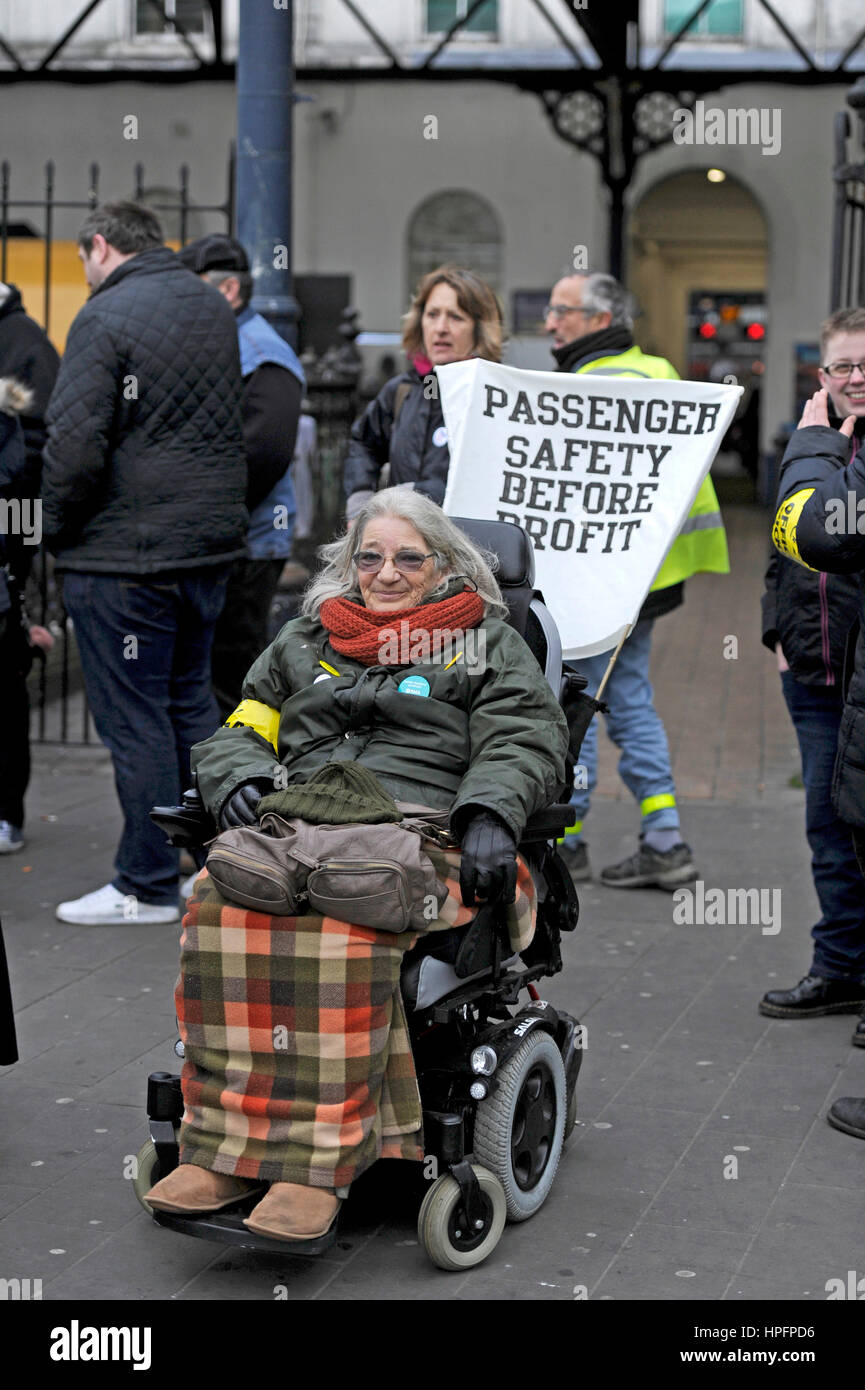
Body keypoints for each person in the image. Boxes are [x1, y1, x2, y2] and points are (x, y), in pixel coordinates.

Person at [144, 489, 569, 1240]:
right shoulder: (306, 640)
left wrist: (489, 815)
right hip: (297, 825)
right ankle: (222, 1150)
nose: (388, 573)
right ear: (348, 564)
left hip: (420, 834)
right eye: (369, 557)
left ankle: (318, 1166)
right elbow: (243, 725)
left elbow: (522, 740)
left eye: (409, 558)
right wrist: (235, 775)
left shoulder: (486, 643)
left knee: (344, 927)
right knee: (215, 902)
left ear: (444, 566)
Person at [41, 202, 247, 926]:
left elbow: (72, 446)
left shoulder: (104, 316)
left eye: (83, 259)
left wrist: (51, 527)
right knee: (190, 704)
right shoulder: (210, 307)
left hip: (125, 557)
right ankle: (214, 867)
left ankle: (147, 881)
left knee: (134, 721)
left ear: (99, 247)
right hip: (205, 548)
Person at [545, 270, 729, 889]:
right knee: (626, 699)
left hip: (602, 579)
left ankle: (567, 841)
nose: (550, 323)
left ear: (599, 319)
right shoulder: (656, 370)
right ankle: (664, 837)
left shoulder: (593, 382)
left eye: (562, 311)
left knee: (580, 702)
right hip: (652, 577)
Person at [773, 312, 865, 1142]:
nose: (853, 378)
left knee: (856, 823)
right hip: (814, 671)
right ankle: (839, 967)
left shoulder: (831, 453)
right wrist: (777, 632)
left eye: (864, 365)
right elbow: (783, 546)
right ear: (821, 374)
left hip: (858, 678)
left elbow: (826, 533)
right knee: (826, 825)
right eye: (841, 365)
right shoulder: (803, 440)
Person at [177, 234, 305, 720]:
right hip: (231, 540)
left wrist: (204, 514)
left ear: (228, 291)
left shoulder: (259, 351)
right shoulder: (230, 342)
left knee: (232, 680)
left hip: (246, 547)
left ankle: (238, 785)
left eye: (193, 291)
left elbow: (264, 454)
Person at [342, 266, 503, 522]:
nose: (441, 328)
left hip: (466, 550)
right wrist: (359, 501)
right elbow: (363, 444)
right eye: (432, 315)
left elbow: (491, 481)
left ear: (479, 328)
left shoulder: (496, 398)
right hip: (401, 549)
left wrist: (411, 496)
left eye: (456, 317)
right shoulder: (401, 390)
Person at [0, 377, 52, 853]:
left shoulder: (14, 447)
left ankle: (6, 816)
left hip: (4, 601)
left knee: (9, 714)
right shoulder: (18, 444)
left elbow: (25, 534)